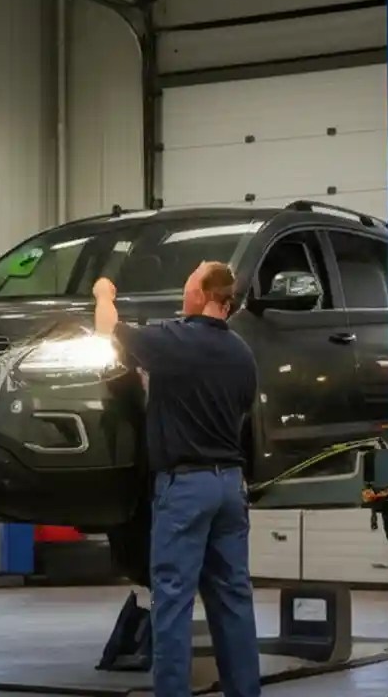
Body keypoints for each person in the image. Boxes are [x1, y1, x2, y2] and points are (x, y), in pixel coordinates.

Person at [93, 262, 261, 697]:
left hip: (185, 488)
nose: (185, 280)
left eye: (191, 275)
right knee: (233, 602)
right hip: (229, 488)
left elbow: (109, 330)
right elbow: (241, 413)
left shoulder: (174, 340)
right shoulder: (243, 352)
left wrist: (103, 294)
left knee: (172, 601)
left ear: (202, 293)